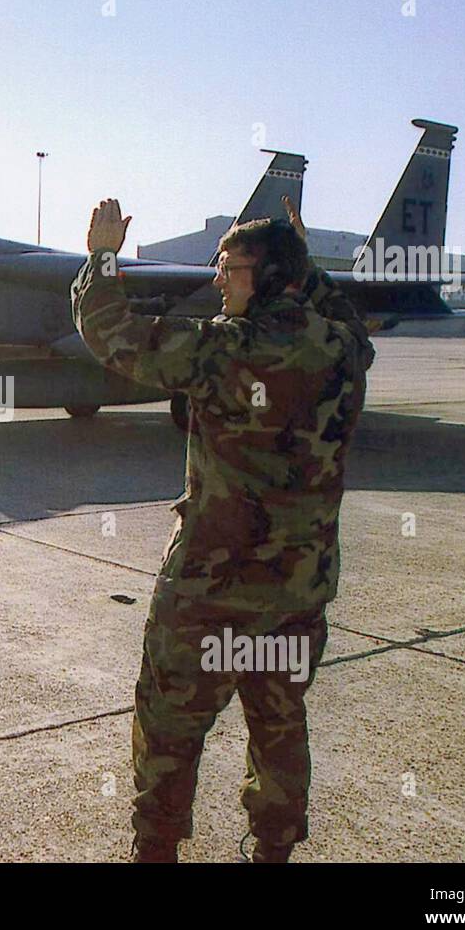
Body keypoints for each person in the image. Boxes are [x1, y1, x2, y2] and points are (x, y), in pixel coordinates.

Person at [71, 197, 375, 862]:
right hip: (297, 595)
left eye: (230, 267)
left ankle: (155, 849)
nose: (218, 279)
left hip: (212, 592)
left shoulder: (221, 349)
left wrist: (101, 257)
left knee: (169, 726)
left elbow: (113, 335)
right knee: (279, 726)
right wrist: (306, 267)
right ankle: (272, 849)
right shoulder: (344, 350)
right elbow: (350, 319)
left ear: (264, 276)